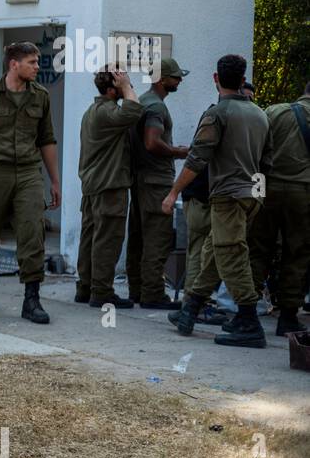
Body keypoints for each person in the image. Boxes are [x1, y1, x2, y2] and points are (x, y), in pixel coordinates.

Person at [163, 55, 272, 347]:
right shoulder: (260, 114)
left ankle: (249, 320)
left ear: (216, 78)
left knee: (230, 254)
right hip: (251, 196)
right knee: (215, 251)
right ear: (242, 79)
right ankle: (190, 310)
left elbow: (198, 157)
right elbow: (267, 161)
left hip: (228, 196)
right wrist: (257, 196)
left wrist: (174, 192)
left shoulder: (218, 114)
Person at [0, 41, 59, 323]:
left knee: (32, 230)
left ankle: (32, 298)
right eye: (32, 62)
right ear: (13, 64)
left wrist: (54, 181)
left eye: (38, 61)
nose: (37, 67)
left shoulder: (40, 96)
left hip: (29, 171)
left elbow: (47, 140)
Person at [125, 58, 191, 309]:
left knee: (138, 237)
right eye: (176, 77)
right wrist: (179, 152)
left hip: (140, 180)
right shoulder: (156, 108)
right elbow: (152, 142)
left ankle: (137, 290)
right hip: (155, 181)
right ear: (162, 80)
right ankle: (152, 294)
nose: (180, 80)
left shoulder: (142, 101)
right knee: (157, 238)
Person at [75, 65, 142, 307]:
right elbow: (134, 111)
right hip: (110, 186)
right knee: (107, 240)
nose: (130, 88)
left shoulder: (92, 111)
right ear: (113, 89)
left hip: (94, 184)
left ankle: (85, 287)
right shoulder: (108, 112)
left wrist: (122, 85)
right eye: (125, 84)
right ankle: (101, 292)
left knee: (91, 237)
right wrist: (125, 87)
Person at [248, 77, 310, 336]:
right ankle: (287, 316)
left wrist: (254, 190)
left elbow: (255, 148)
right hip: (303, 193)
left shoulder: (275, 111)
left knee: (257, 249)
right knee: (297, 254)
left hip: (266, 188)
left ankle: (247, 312)